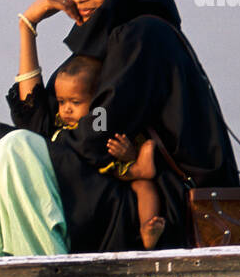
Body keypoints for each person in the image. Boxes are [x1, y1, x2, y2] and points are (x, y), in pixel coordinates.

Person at [0, 0, 238, 258]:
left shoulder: (143, 36)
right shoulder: (103, 43)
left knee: (16, 149)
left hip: (164, 212)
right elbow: (36, 124)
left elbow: (99, 131)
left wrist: (35, 149)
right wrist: (27, 27)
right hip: (118, 193)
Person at [49, 55, 166, 249]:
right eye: (62, 102)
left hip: (116, 168)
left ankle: (148, 226)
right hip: (90, 179)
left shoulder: (101, 120)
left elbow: (111, 139)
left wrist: (128, 155)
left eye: (76, 102)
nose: (67, 110)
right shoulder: (62, 125)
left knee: (145, 187)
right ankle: (136, 170)